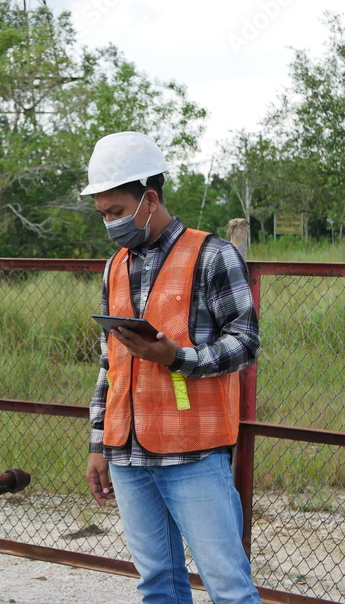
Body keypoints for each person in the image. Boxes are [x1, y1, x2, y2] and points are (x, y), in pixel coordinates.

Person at [82, 132, 262, 604]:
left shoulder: (213, 256)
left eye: (117, 212)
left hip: (193, 454)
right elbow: (110, 365)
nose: (110, 224)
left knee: (227, 586)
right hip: (127, 455)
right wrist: (99, 444)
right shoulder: (114, 267)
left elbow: (245, 344)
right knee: (157, 583)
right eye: (103, 215)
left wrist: (177, 358)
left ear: (150, 198)